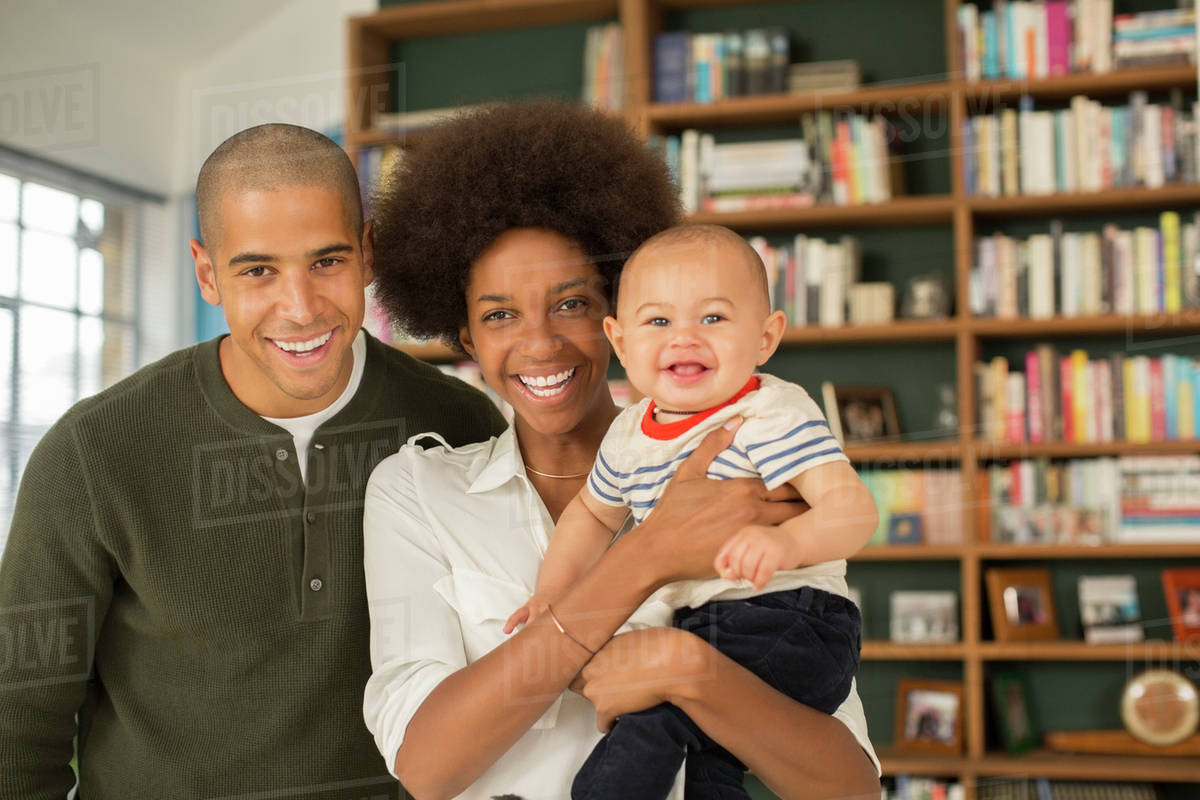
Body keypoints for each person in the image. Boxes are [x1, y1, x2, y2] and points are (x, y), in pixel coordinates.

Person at [362, 100, 881, 800]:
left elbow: (849, 787)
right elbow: (425, 767)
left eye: (571, 303)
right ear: (465, 339)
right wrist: (648, 555)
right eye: (499, 315)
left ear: (616, 323)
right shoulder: (418, 492)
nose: (540, 343)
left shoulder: (746, 454)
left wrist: (686, 668)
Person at [0, 124, 505, 799]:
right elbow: (16, 725)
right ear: (207, 273)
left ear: (367, 253)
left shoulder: (461, 426)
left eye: (327, 261)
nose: (300, 309)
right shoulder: (93, 454)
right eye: (258, 270)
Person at [502, 223, 878, 800]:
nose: (684, 339)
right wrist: (552, 597)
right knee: (703, 760)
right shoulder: (629, 433)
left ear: (765, 338)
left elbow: (853, 511)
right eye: (658, 322)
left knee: (654, 713)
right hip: (706, 630)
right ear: (620, 341)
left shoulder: (767, 413)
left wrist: (787, 545)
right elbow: (590, 516)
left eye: (713, 319)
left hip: (794, 620)